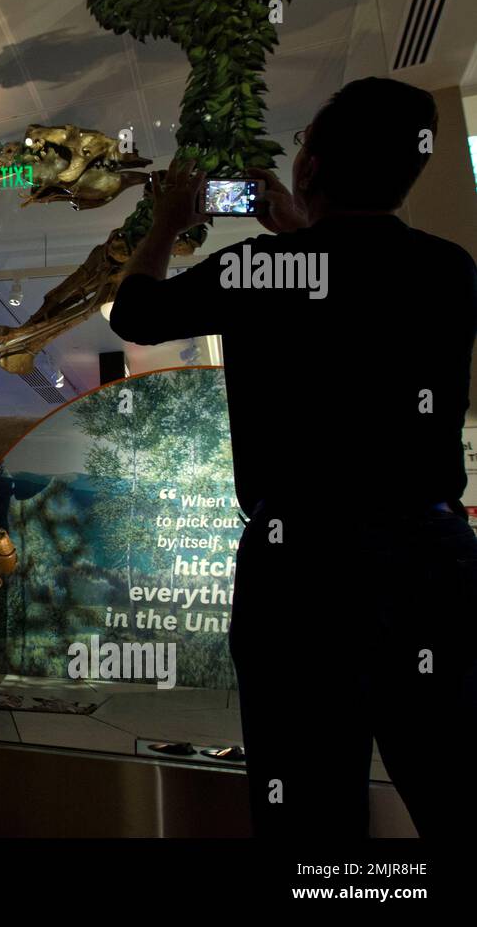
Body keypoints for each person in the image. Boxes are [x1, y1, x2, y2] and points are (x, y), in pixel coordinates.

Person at [109, 76, 477, 838]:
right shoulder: (450, 268)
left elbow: (135, 313)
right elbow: (354, 289)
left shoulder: (259, 269)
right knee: (455, 786)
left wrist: (168, 220)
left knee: (308, 806)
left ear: (307, 167)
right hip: (433, 560)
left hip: (304, 568)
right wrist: (304, 232)